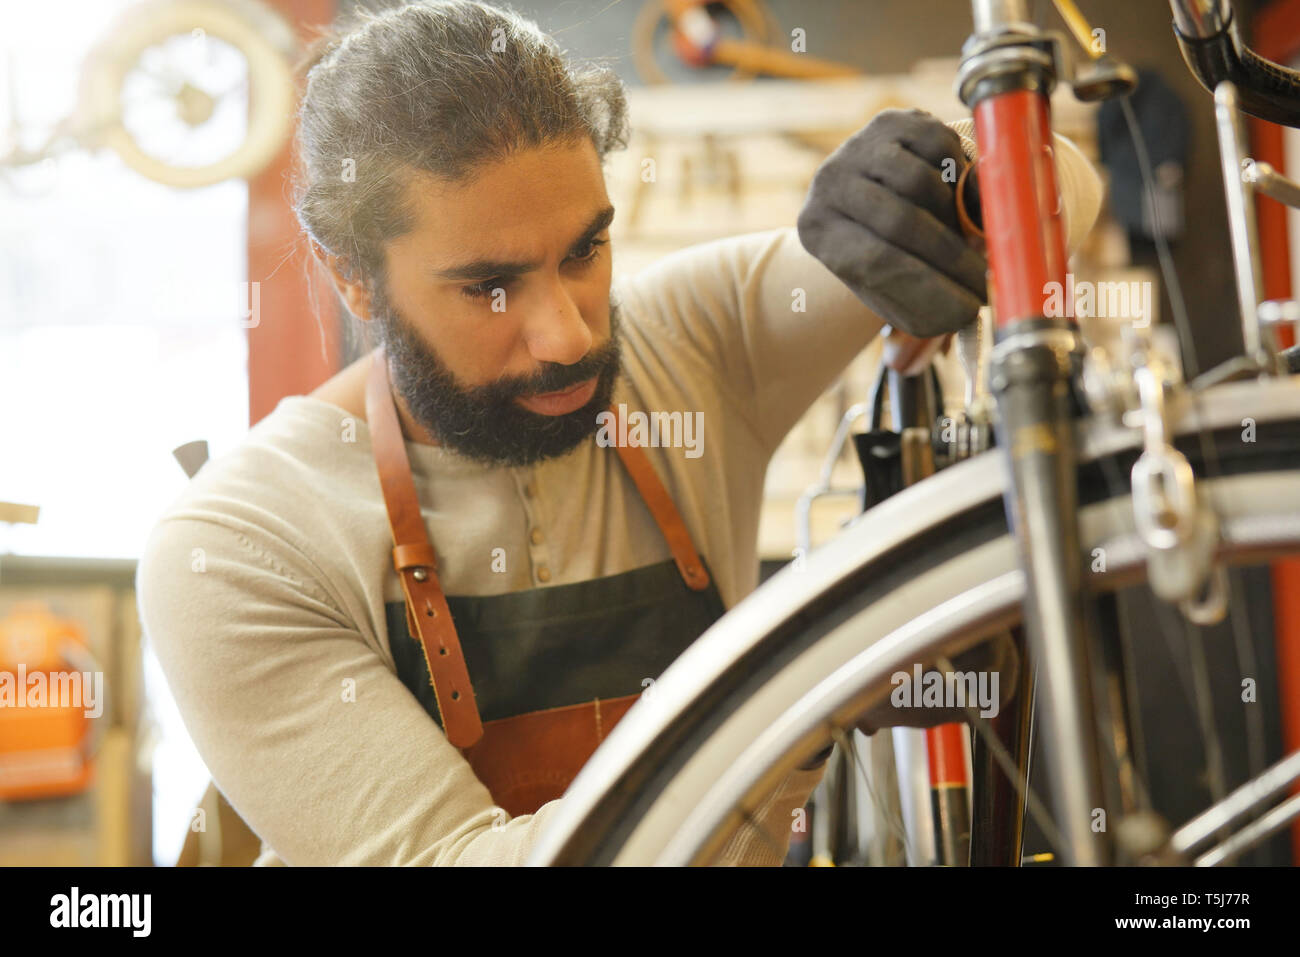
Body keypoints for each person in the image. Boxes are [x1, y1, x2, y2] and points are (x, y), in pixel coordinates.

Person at [135, 0, 1102, 866]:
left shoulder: (694, 341)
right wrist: (809, 690)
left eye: (585, 250)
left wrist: (941, 178)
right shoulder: (238, 548)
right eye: (489, 286)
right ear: (355, 279)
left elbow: (1064, 188)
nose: (570, 334)